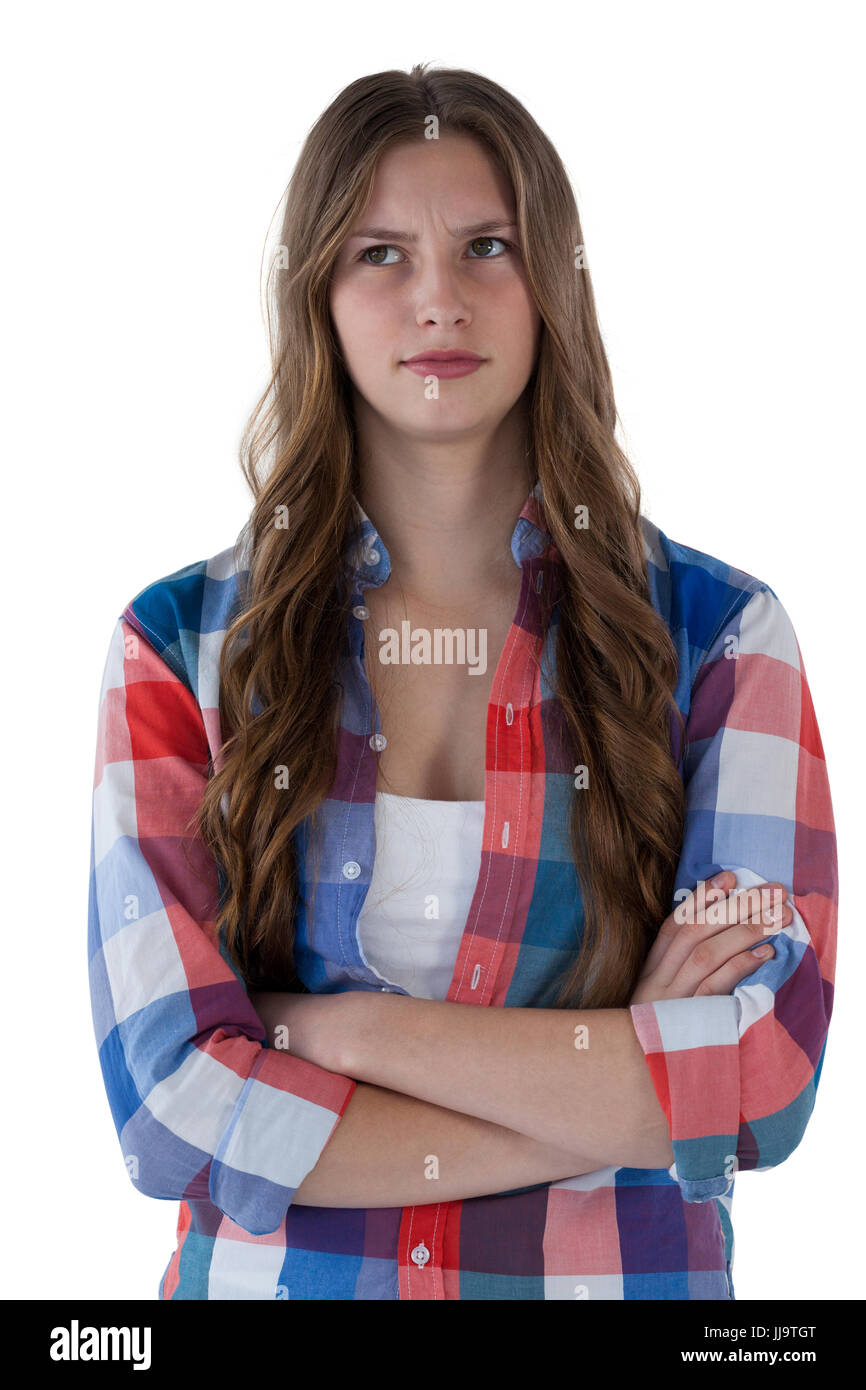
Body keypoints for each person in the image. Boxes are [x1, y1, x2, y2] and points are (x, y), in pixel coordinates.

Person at [87, 62, 837, 1301]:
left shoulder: (720, 640)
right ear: (316, 293)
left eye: (486, 245)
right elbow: (168, 1109)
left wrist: (328, 1031)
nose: (437, 298)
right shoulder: (178, 647)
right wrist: (630, 1094)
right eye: (380, 253)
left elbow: (760, 1080)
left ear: (552, 285)